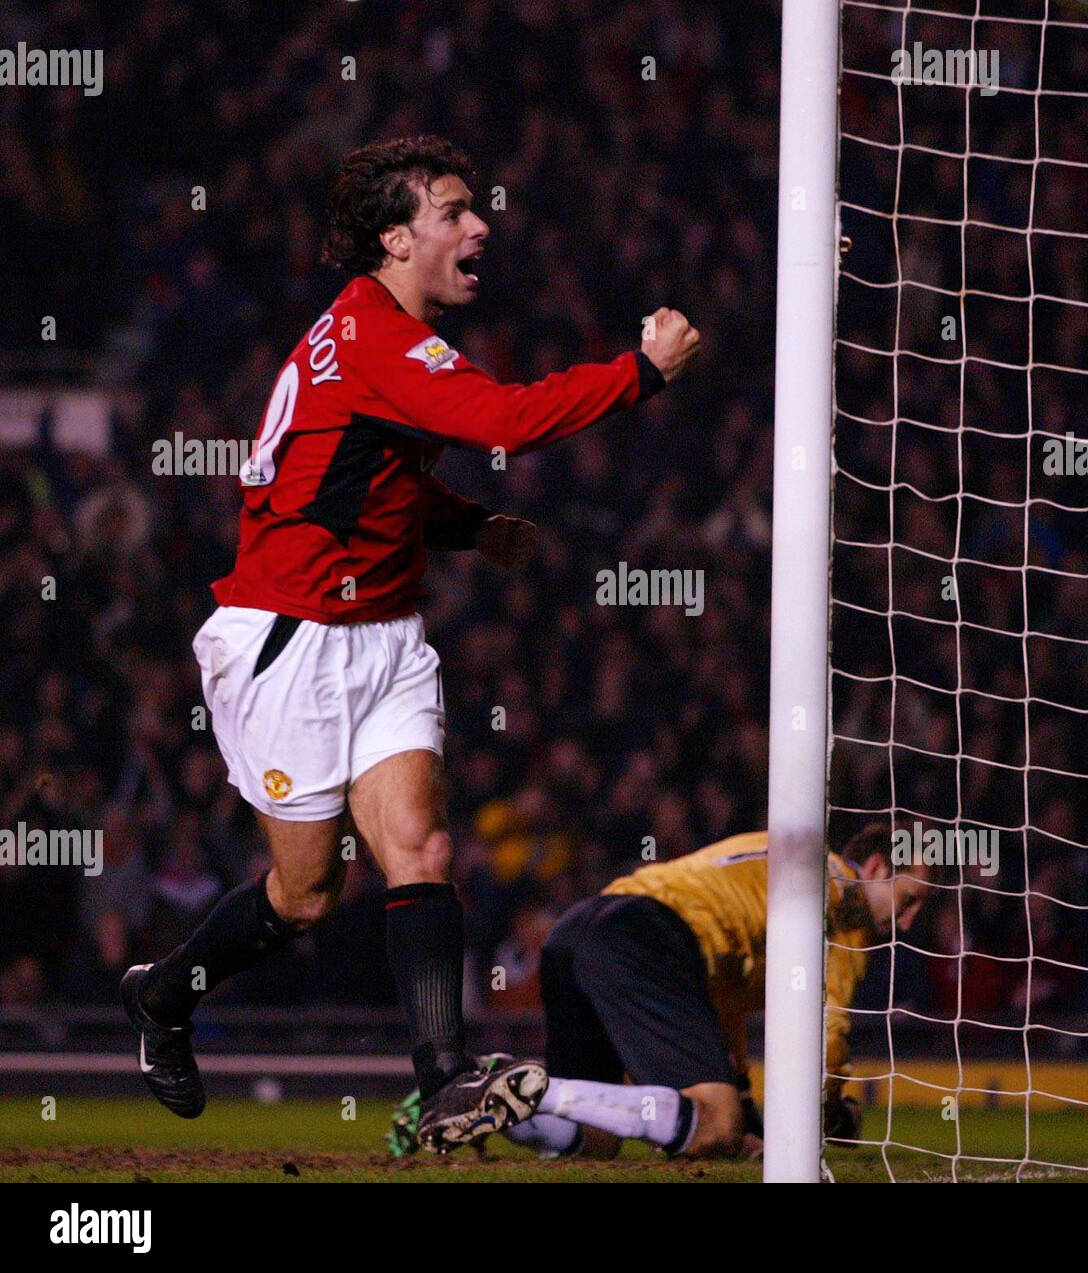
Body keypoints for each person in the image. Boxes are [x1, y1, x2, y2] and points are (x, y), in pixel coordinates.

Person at [120, 134, 700, 1151]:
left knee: (424, 847)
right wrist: (641, 373)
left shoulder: (376, 337)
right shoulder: (379, 340)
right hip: (288, 640)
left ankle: (440, 1080)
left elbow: (360, 483)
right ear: (395, 239)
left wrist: (469, 527)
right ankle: (164, 994)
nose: (479, 225)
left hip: (386, 632)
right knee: (304, 894)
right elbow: (508, 421)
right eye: (453, 210)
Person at [388, 824, 931, 1158]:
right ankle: (528, 1085)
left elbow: (720, 998)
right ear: (877, 866)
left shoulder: (777, 850)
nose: (906, 923)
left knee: (596, 1141)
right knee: (714, 1125)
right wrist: (824, 1116)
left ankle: (485, 1086)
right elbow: (828, 1028)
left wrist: (739, 1090)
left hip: (582, 926)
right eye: (908, 900)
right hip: (647, 934)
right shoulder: (845, 903)